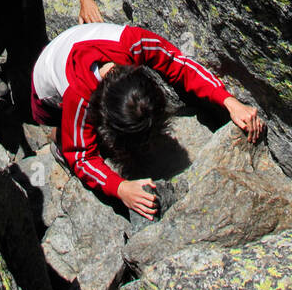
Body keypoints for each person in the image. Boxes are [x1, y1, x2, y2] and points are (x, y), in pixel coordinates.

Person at [31, 21, 264, 218]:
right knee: (66, 134)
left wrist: (228, 101)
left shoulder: (133, 42)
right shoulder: (78, 98)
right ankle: (58, 138)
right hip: (45, 86)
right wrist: (120, 188)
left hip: (76, 39)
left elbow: (179, 64)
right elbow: (82, 155)